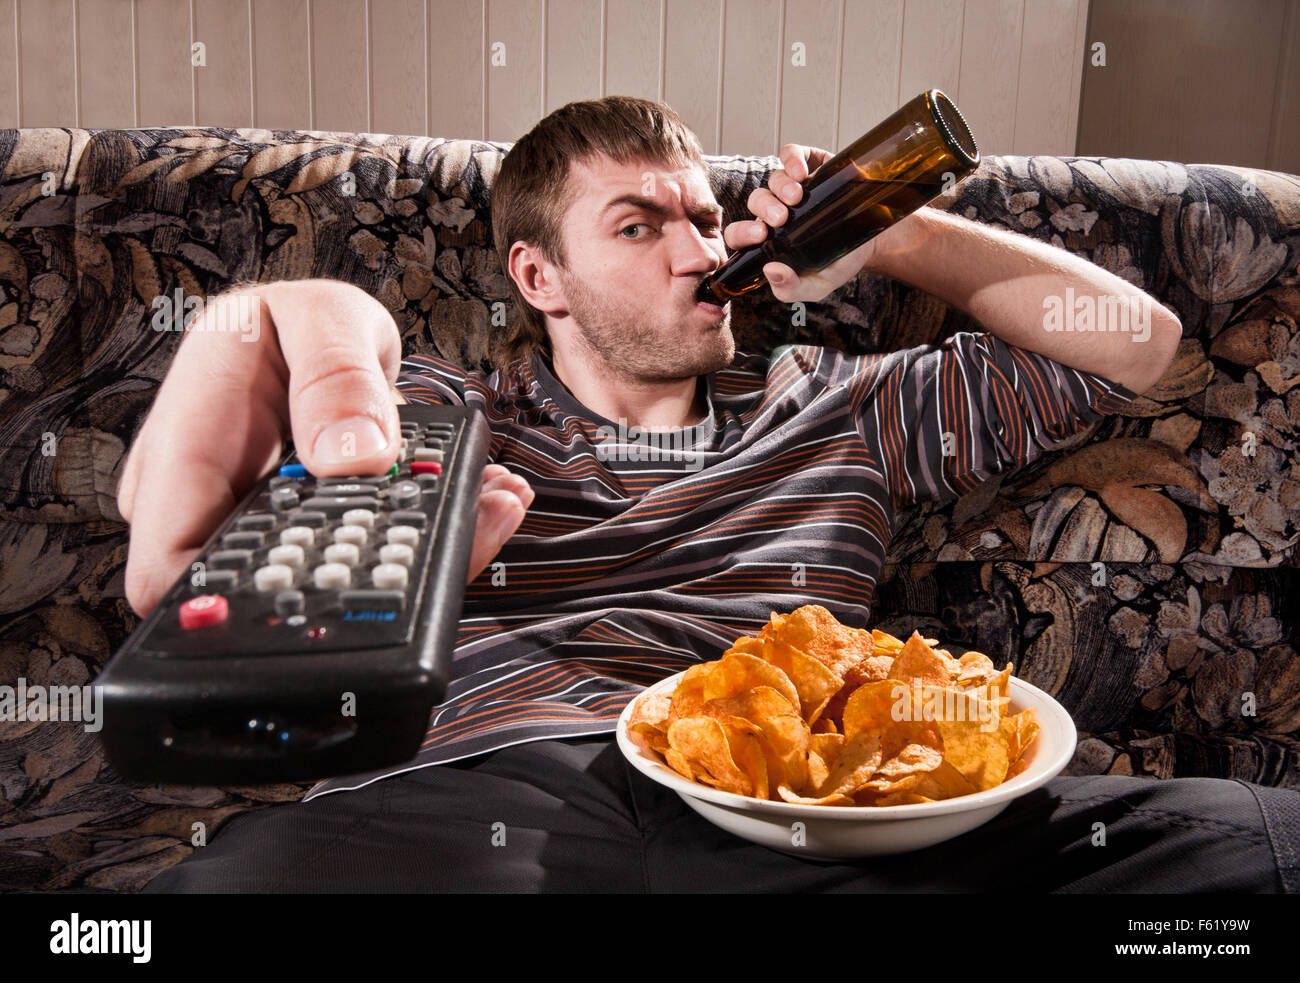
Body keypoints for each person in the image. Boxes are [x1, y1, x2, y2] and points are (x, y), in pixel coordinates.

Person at [121, 96, 1296, 893]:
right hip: (480, 797)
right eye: (636, 226)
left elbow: (1133, 348)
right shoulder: (442, 410)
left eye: (698, 214)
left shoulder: (833, 403)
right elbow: (250, 523)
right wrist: (270, 335)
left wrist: (885, 230)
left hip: (810, 817)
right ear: (541, 276)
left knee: (1249, 850)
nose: (695, 251)